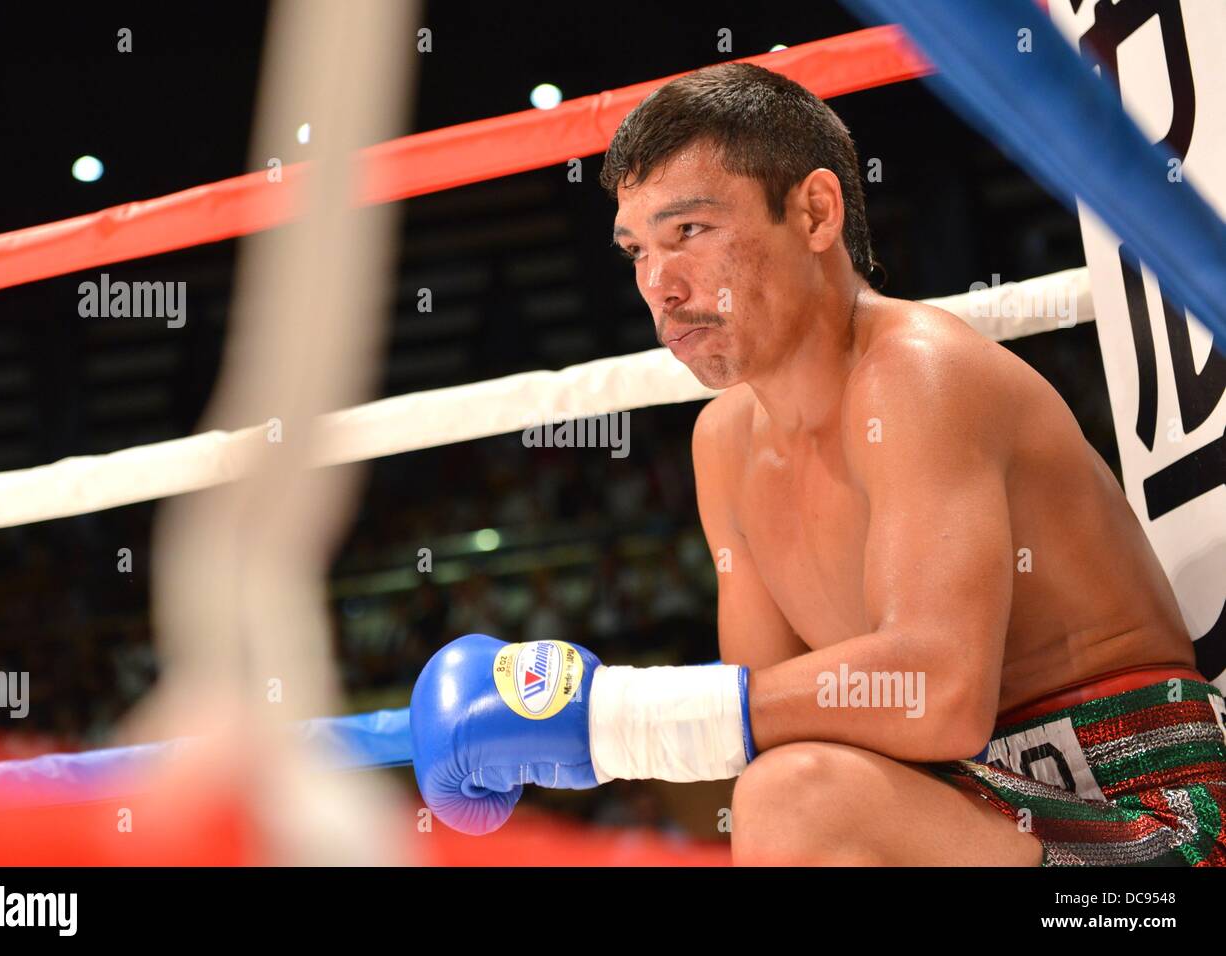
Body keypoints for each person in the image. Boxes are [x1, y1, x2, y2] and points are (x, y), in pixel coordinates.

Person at [409, 63, 1226, 866]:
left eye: (689, 231)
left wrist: (611, 717)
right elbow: (759, 730)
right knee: (784, 789)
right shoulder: (723, 445)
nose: (659, 284)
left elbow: (935, 691)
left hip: (1150, 844)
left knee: (797, 799)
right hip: (973, 821)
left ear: (815, 212)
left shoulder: (919, 373)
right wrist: (579, 739)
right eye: (637, 252)